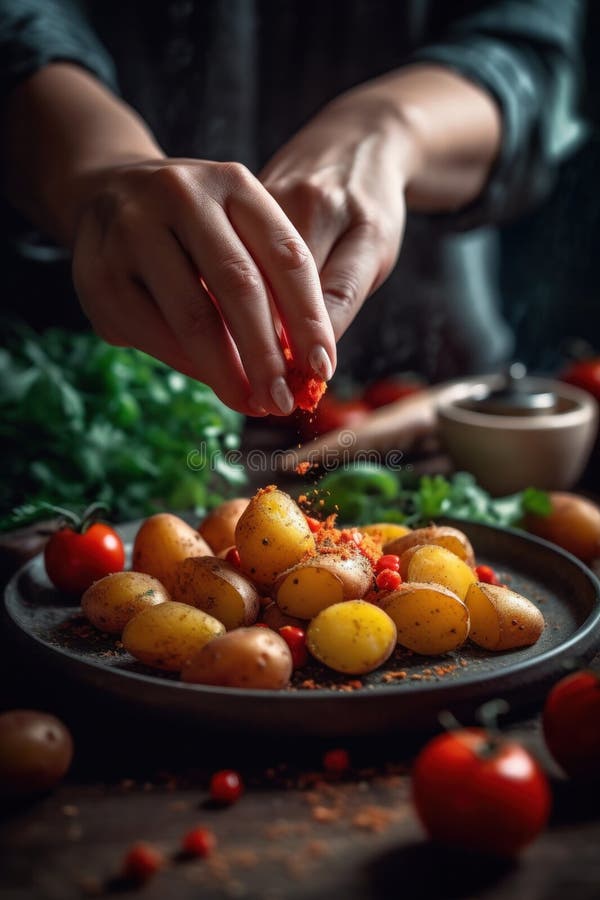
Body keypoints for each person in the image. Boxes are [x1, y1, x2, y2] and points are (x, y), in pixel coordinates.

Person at [1, 1, 586, 416]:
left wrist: (391, 129)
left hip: (432, 391)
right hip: (87, 399)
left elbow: (530, 50)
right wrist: (94, 169)